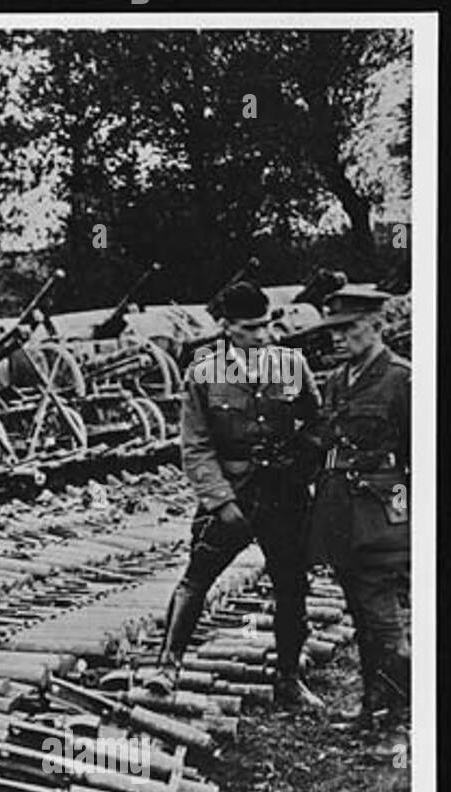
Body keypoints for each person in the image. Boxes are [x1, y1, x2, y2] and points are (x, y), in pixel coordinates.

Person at [145, 281, 323, 709]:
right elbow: (196, 446)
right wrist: (220, 502)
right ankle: (167, 668)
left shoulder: (291, 364)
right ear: (227, 327)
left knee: (292, 585)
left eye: (265, 325)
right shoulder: (204, 371)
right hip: (233, 492)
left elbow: (317, 423)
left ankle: (287, 679)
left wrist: (302, 466)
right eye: (249, 328)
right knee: (197, 578)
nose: (261, 336)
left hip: (284, 493)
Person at [305, 288, 411, 735]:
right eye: (333, 330)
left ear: (377, 325)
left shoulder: (401, 379)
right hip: (340, 513)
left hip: (381, 511)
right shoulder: (336, 380)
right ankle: (373, 707)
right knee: (360, 613)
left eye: (348, 328)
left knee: (381, 617)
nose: (338, 338)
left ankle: (400, 712)